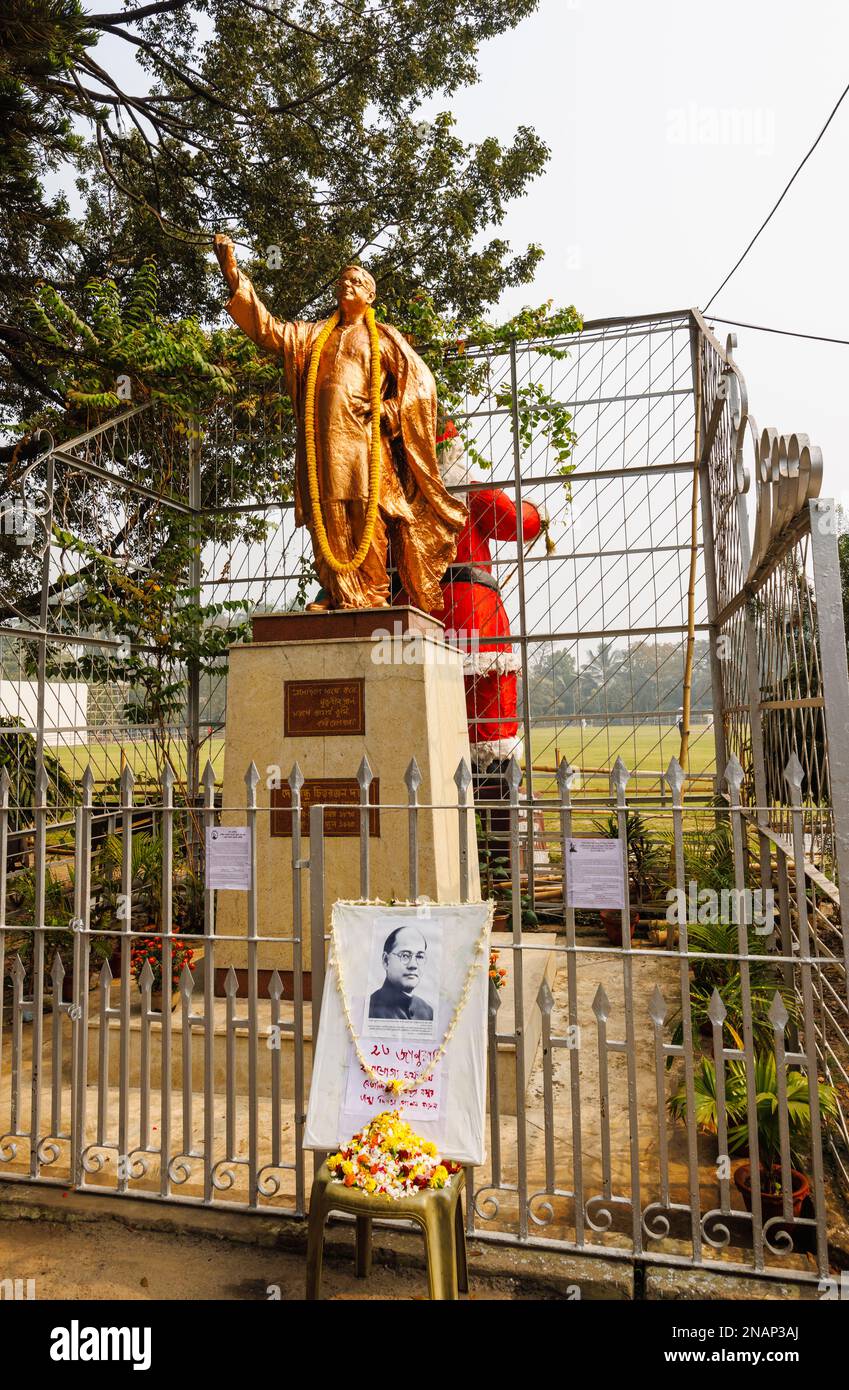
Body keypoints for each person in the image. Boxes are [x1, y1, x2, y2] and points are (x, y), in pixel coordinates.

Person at [212, 235, 467, 611]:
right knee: (327, 517)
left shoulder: (383, 338)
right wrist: (233, 274)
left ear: (371, 296)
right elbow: (267, 330)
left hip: (366, 449)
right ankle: (338, 593)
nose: (348, 285)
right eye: (343, 281)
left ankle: (374, 594)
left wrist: (389, 410)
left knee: (369, 519)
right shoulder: (313, 337)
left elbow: (423, 385)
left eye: (357, 282)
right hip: (324, 449)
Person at [368, 925, 433, 1021]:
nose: (413, 965)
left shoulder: (427, 1011)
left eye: (419, 956)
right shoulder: (370, 1008)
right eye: (405, 955)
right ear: (386, 960)